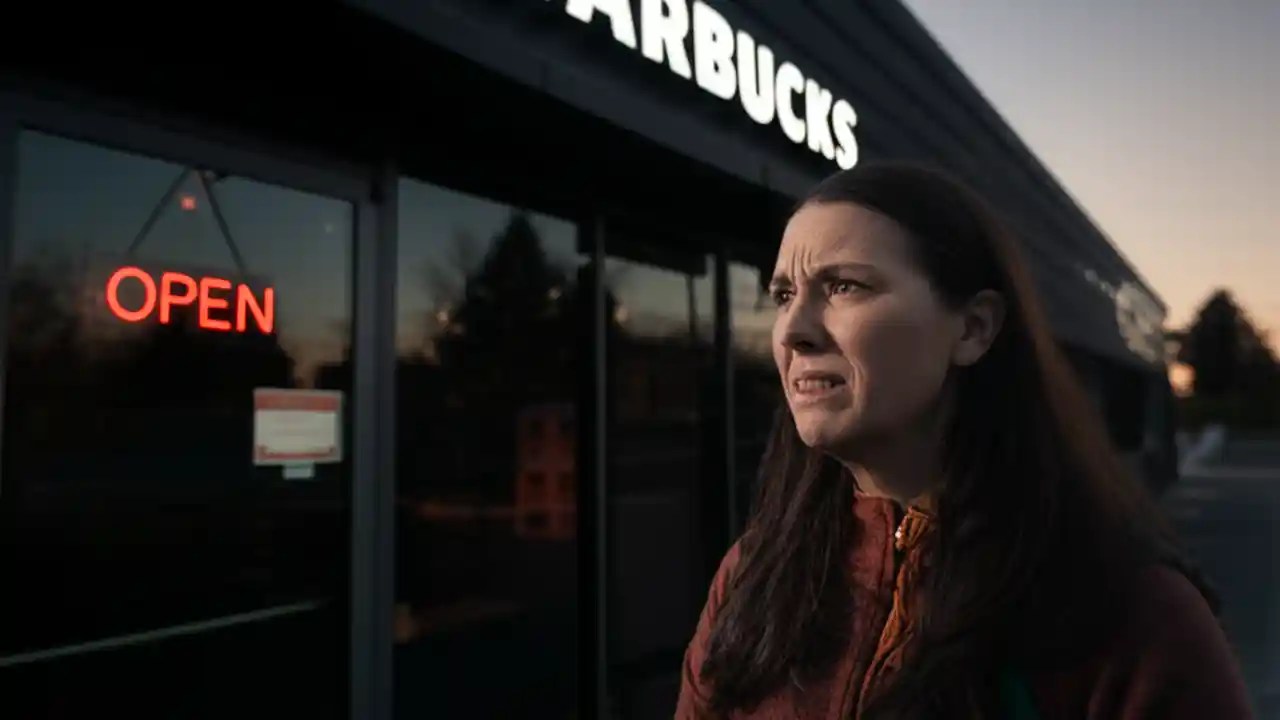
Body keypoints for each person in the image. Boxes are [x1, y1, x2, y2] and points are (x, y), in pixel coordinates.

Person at [675, 164, 1253, 719]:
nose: (794, 331)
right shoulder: (752, 576)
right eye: (781, 296)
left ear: (974, 328)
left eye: (844, 285)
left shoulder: (1131, 619)